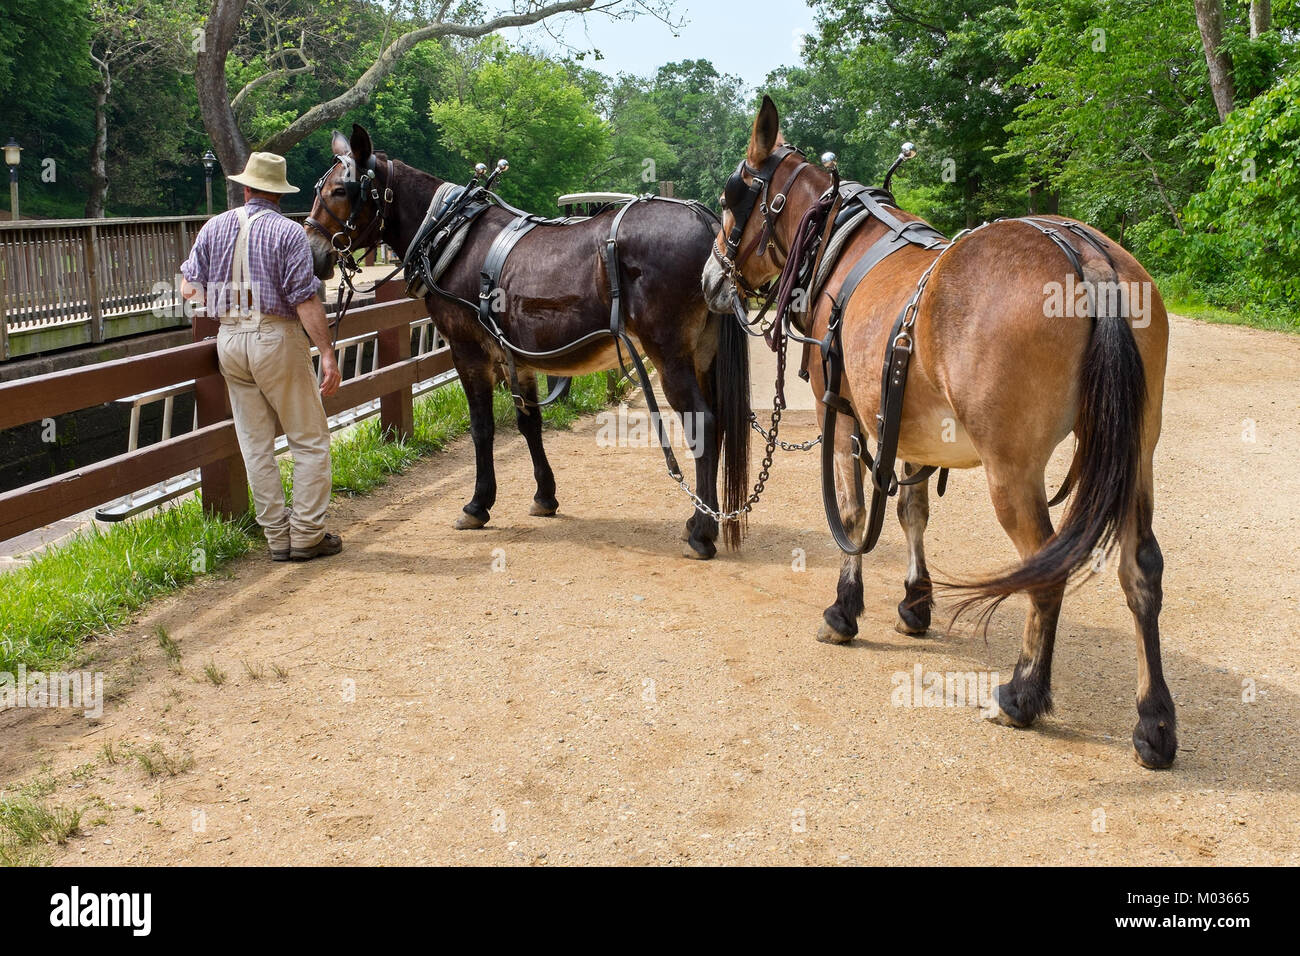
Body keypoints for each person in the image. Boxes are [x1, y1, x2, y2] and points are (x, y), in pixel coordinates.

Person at [180, 151, 344, 562]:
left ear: (247, 187)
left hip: (230, 341)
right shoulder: (288, 233)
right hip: (275, 338)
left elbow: (188, 288)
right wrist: (326, 352)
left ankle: (276, 536)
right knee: (308, 438)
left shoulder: (213, 226)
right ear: (277, 192)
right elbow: (304, 299)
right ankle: (306, 533)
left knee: (255, 445)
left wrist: (218, 305)